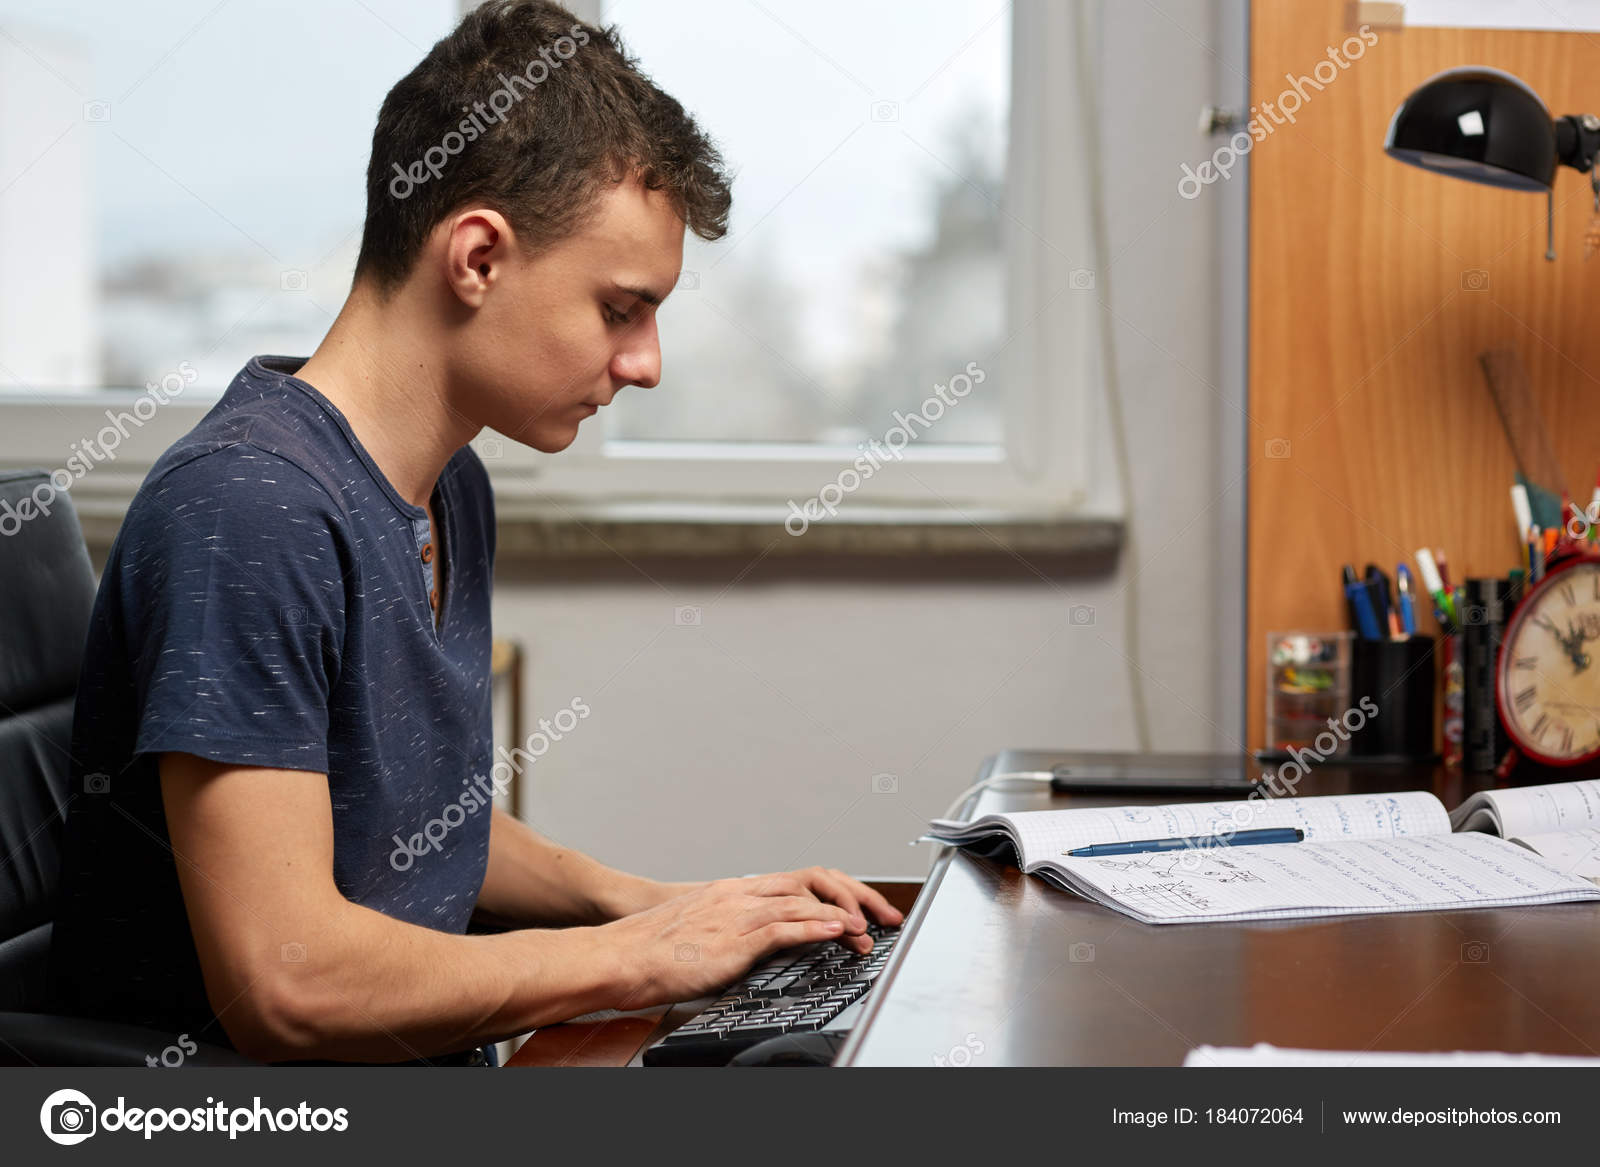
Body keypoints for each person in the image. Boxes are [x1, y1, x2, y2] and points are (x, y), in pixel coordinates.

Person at [48, 0, 901, 1064]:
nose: (646, 363)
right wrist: (641, 956)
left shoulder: (449, 484)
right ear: (478, 258)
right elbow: (289, 982)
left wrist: (658, 905)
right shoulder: (249, 510)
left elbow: (412, 829)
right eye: (620, 308)